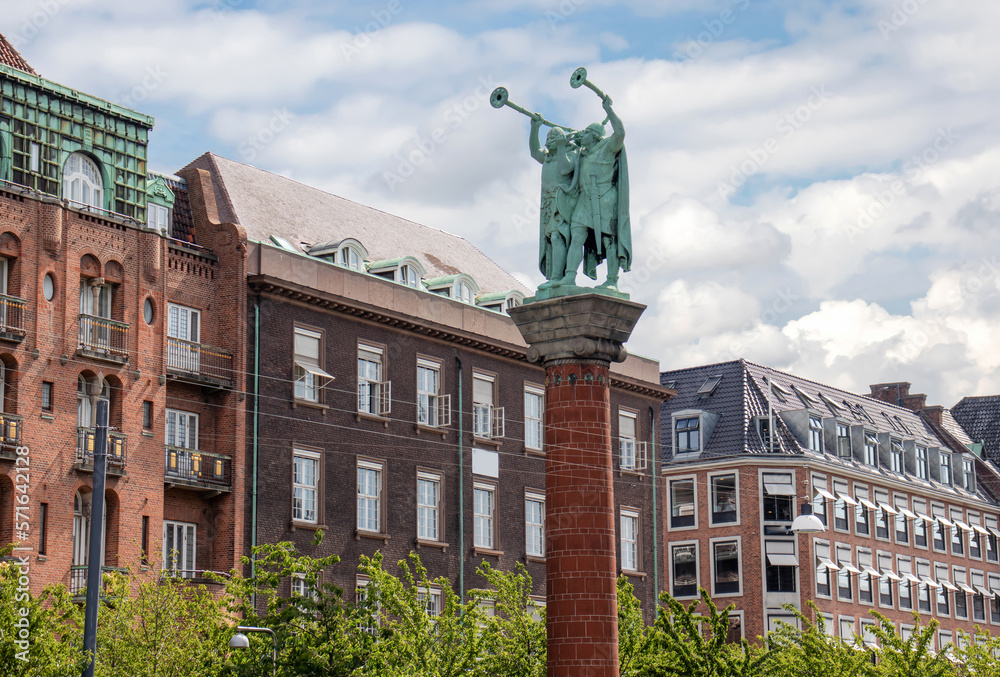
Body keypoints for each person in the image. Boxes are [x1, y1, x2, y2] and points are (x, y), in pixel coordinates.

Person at [558, 95, 631, 290]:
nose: (583, 135)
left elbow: (621, 132)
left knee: (609, 239)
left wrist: (608, 110)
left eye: (586, 133)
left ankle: (612, 280)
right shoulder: (581, 153)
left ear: (595, 135)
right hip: (584, 200)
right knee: (577, 237)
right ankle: (569, 276)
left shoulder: (607, 147)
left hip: (604, 198)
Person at [529, 115, 579, 288]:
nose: (547, 141)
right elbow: (535, 151)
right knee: (550, 239)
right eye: (547, 138)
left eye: (552, 138)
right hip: (548, 204)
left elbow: (566, 169)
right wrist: (535, 127)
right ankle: (554, 276)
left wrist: (561, 148)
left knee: (559, 236)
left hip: (563, 202)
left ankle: (557, 278)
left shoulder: (571, 154)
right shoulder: (548, 157)